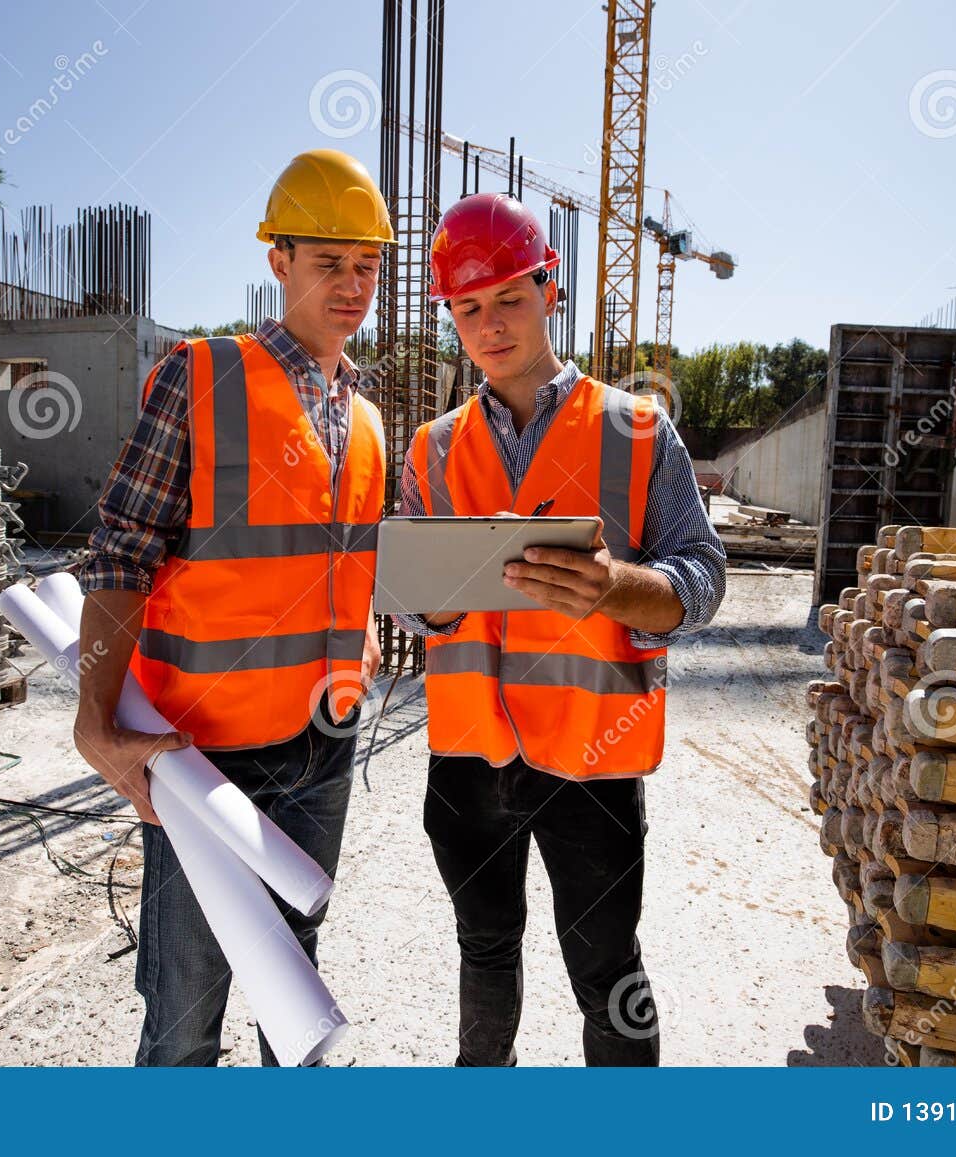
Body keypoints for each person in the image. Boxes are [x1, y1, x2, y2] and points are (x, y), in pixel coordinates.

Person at [73, 148, 392, 1066]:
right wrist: (96, 718)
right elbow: (123, 547)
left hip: (321, 744)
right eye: (329, 261)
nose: (351, 284)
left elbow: (347, 565)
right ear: (278, 261)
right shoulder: (201, 377)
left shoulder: (365, 417)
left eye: (366, 265)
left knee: (292, 975)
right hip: (201, 753)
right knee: (185, 1002)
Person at [393, 192, 726, 1066]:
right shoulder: (430, 450)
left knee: (605, 964)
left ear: (551, 290)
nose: (489, 323)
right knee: (485, 948)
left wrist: (617, 585)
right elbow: (407, 603)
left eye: (509, 297)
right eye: (467, 307)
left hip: (592, 757)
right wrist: (426, 604)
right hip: (467, 759)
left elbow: (703, 576)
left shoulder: (638, 430)